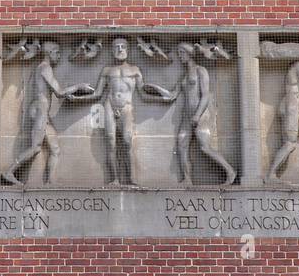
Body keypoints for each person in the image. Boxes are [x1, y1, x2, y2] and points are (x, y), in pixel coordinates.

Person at [71, 37, 175, 187]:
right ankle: (114, 179)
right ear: (112, 51)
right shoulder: (107, 70)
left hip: (126, 107)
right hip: (108, 106)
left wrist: (162, 98)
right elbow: (98, 93)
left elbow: (143, 94)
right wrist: (76, 98)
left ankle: (131, 178)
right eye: (116, 47)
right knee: (110, 142)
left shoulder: (134, 70)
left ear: (128, 49)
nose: (120, 49)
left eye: (123, 46)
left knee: (126, 141)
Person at [2, 41, 92, 186]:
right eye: (57, 53)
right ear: (49, 53)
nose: (59, 56)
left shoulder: (43, 68)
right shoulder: (45, 68)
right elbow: (59, 92)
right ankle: (9, 172)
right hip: (40, 112)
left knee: (55, 149)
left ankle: (50, 181)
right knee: (35, 147)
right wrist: (79, 86)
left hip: (43, 113)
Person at [168, 43, 236, 186]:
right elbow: (172, 95)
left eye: (182, 53)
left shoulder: (201, 70)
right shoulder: (184, 76)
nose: (180, 56)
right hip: (187, 117)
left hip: (200, 116)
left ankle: (230, 171)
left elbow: (205, 95)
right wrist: (154, 92)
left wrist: (197, 115)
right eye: (179, 53)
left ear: (189, 53)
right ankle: (187, 179)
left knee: (204, 147)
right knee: (181, 145)